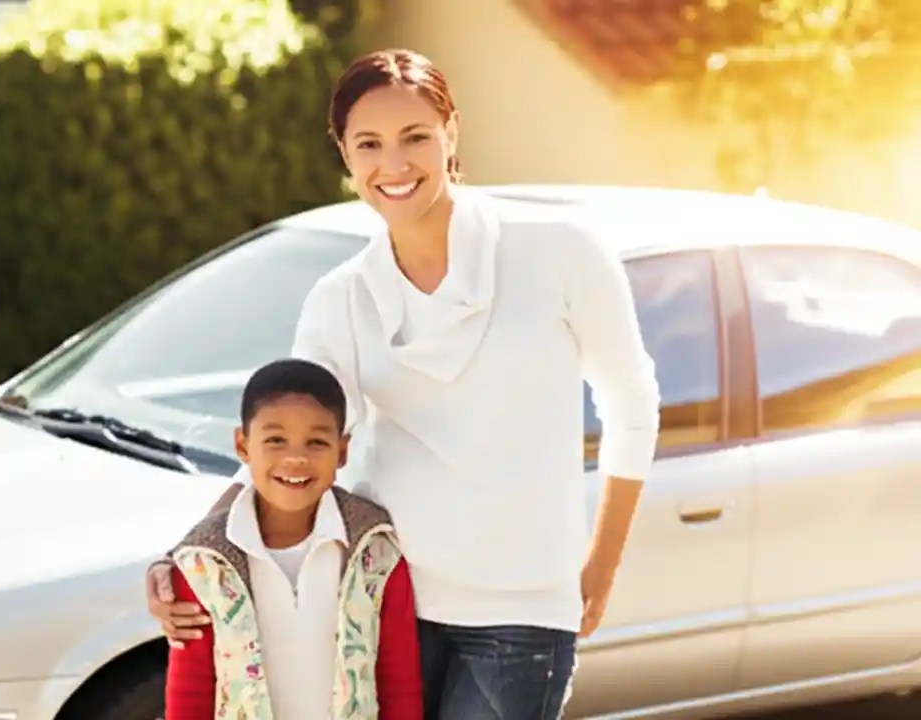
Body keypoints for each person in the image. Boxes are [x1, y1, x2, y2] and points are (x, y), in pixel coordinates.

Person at [150, 48, 660, 720]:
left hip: (521, 610)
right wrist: (191, 550)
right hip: (381, 601)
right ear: (346, 157)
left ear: (451, 133)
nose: (394, 164)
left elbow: (632, 404)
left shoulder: (560, 254)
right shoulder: (341, 300)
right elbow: (293, 451)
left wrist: (602, 565)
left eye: (415, 136)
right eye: (369, 144)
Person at [163, 358, 423, 720]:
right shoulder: (203, 566)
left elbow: (399, 681)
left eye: (316, 442)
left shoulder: (376, 550)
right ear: (242, 445)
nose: (296, 457)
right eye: (275, 440)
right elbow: (190, 691)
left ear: (342, 451)